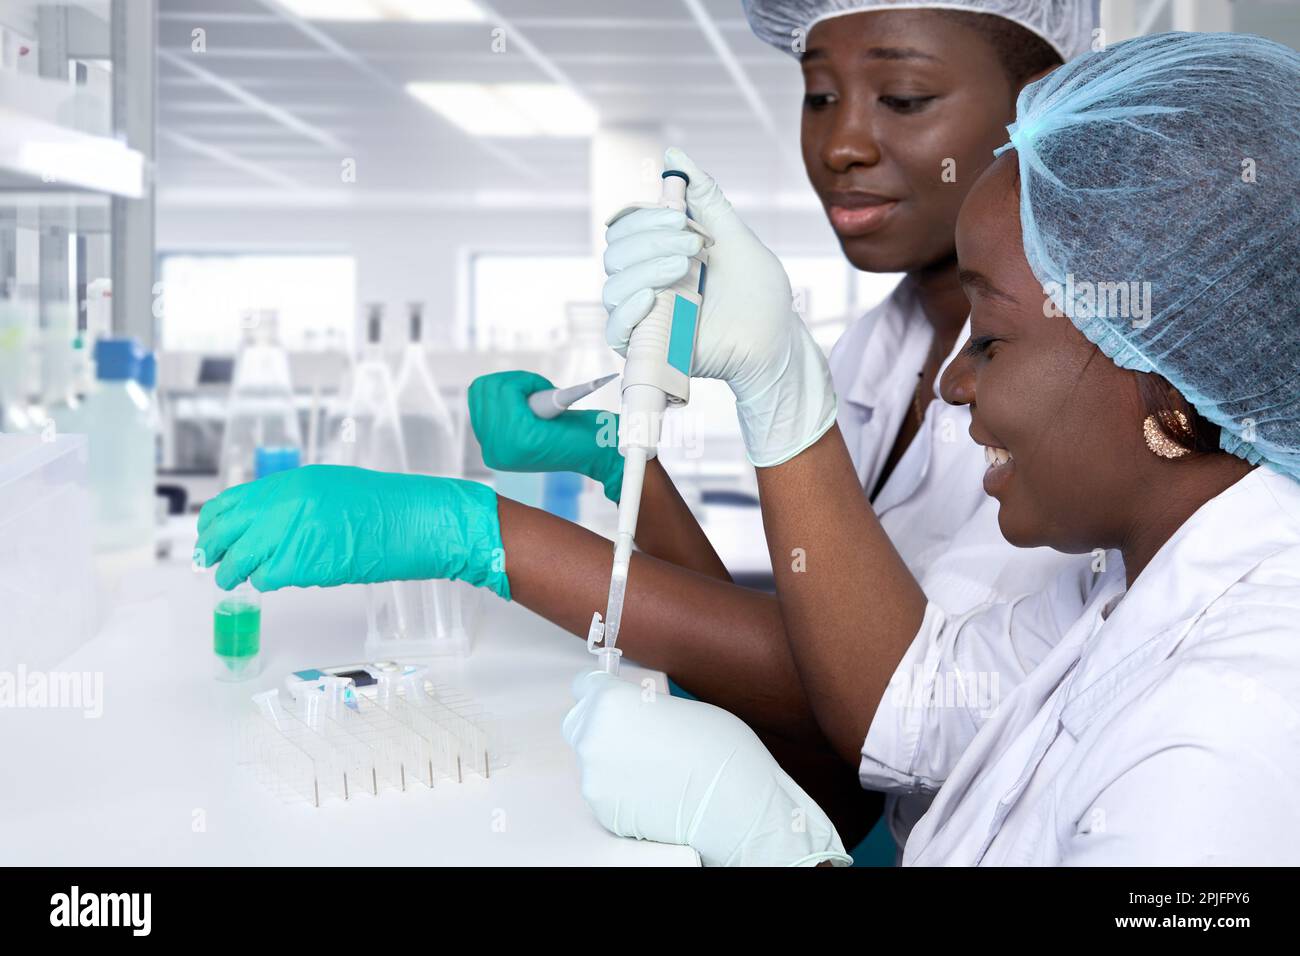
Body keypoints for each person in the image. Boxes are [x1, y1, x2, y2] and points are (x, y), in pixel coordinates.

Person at [194, 0, 1099, 855]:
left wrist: (478, 536)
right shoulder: (880, 347)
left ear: (1043, 107)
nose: (842, 144)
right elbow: (813, 658)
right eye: (820, 95)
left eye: (902, 97)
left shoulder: (1081, 385)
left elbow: (892, 705)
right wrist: (622, 466)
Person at [563, 30, 1300, 865]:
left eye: (989, 340)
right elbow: (913, 708)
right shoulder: (1127, 581)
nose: (952, 384)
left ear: (1165, 382)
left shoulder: (1229, 733)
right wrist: (777, 379)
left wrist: (782, 854)